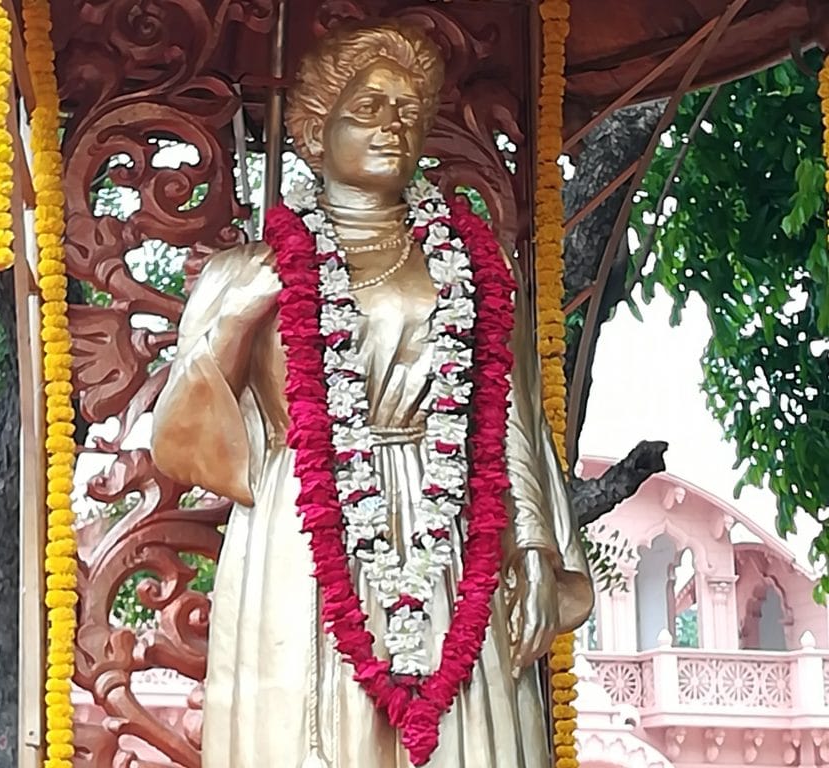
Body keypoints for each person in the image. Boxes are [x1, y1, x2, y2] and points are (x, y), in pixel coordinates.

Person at [152, 19, 592, 768]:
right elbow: (183, 449)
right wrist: (228, 326)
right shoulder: (248, 270)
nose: (394, 124)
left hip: (456, 529)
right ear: (317, 134)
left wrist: (532, 547)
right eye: (370, 107)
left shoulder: (471, 267)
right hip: (307, 536)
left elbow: (512, 417)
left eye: (409, 109)